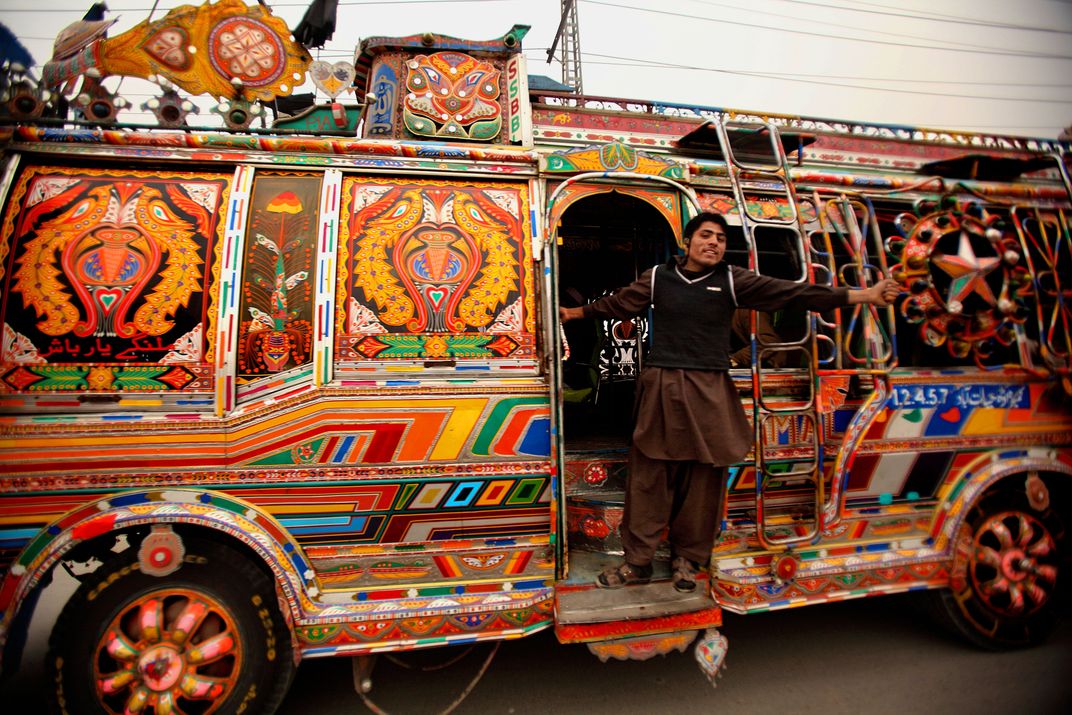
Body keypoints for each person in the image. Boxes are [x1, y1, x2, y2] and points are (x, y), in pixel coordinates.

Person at [559, 212, 900, 593]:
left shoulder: (732, 281)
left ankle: (687, 561)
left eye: (720, 238)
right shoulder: (658, 277)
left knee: (703, 479)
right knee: (648, 477)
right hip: (664, 385)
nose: (714, 243)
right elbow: (620, 304)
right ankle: (636, 563)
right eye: (706, 236)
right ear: (686, 243)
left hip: (710, 387)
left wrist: (864, 295)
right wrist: (574, 313)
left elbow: (793, 292)